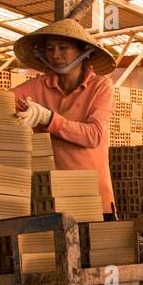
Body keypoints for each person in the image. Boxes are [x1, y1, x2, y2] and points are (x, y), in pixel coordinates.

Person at [11, 19, 118, 219]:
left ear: (82, 51)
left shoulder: (100, 86)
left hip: (93, 198)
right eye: (50, 49)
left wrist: (48, 118)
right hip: (52, 198)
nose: (56, 55)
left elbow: (93, 135)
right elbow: (1, 100)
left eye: (63, 48)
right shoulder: (38, 86)